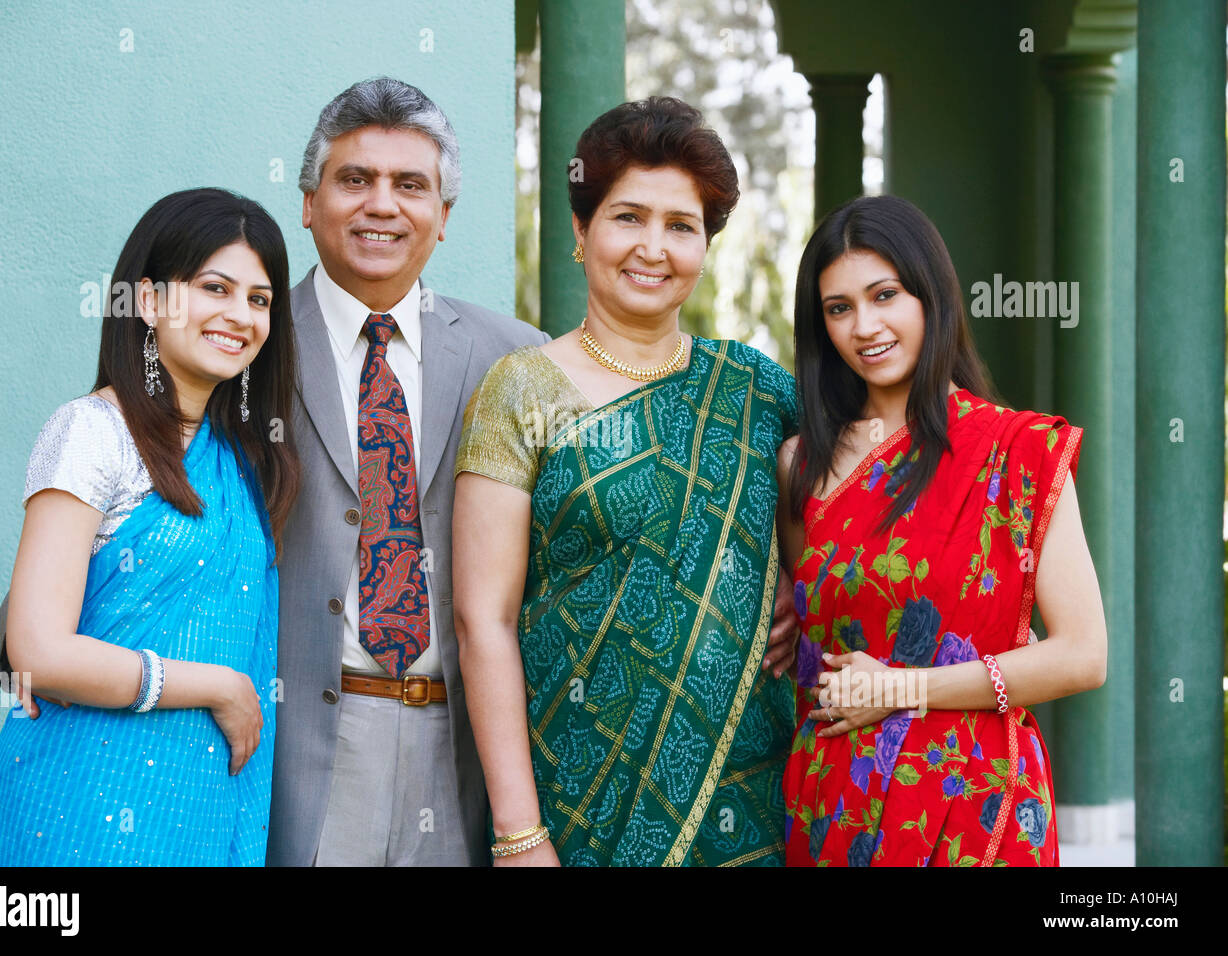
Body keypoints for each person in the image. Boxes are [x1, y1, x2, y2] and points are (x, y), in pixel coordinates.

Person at [453, 97, 801, 866]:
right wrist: (519, 834)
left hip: (750, 799)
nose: (654, 247)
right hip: (578, 795)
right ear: (581, 233)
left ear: (706, 245)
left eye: (682, 226)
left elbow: (857, 516)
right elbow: (484, 622)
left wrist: (798, 585)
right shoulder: (521, 392)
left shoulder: (755, 389)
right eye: (628, 217)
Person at [266, 77, 549, 866]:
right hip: (307, 746)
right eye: (355, 180)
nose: (381, 205)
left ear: (444, 217)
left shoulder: (515, 358)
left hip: (461, 750)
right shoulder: (247, 347)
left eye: (410, 185)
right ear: (309, 201)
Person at [778, 195, 1107, 866]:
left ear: (931, 295)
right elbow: (809, 652)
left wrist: (901, 688)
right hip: (835, 800)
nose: (864, 326)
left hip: (975, 804)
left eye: (885, 295)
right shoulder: (803, 464)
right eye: (839, 309)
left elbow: (1081, 655)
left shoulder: (1017, 453)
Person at [0, 188, 300, 865]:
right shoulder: (93, 432)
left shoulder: (242, 460)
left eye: (259, 299)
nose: (238, 315)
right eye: (215, 287)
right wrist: (220, 685)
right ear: (149, 301)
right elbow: (37, 649)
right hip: (78, 811)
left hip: (199, 811)